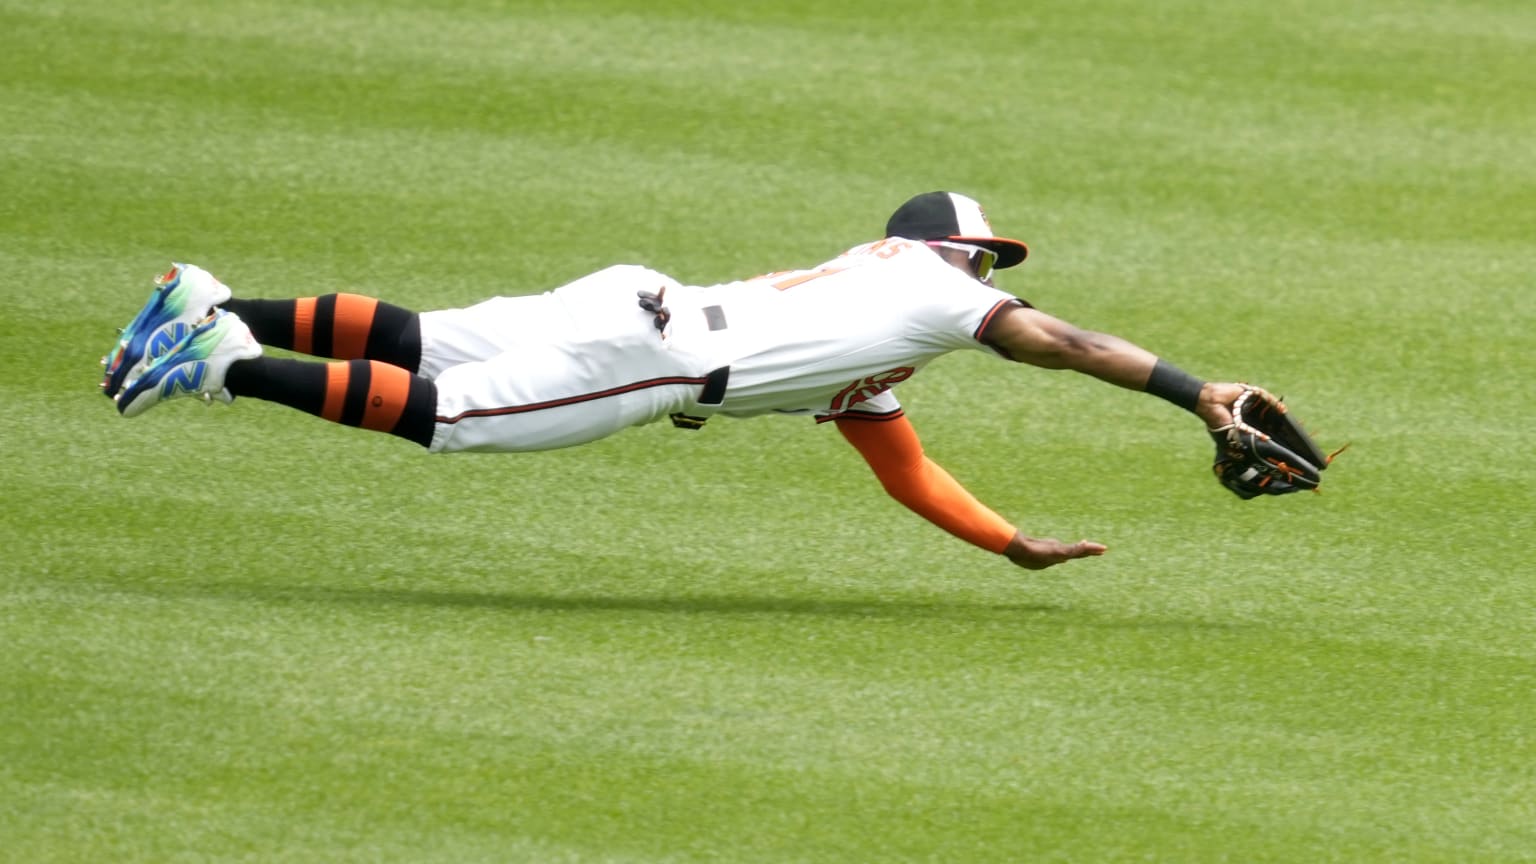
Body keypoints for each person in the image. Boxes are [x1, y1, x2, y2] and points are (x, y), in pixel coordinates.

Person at [100, 191, 1248, 570]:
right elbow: (1074, 345)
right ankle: (231, 367)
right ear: (959, 254)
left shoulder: (870, 320)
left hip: (636, 299)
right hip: (658, 356)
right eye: (991, 257)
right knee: (453, 420)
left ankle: (214, 303)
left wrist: (1011, 546)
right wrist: (1195, 392)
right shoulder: (936, 287)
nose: (995, 274)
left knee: (420, 338)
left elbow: (905, 470)